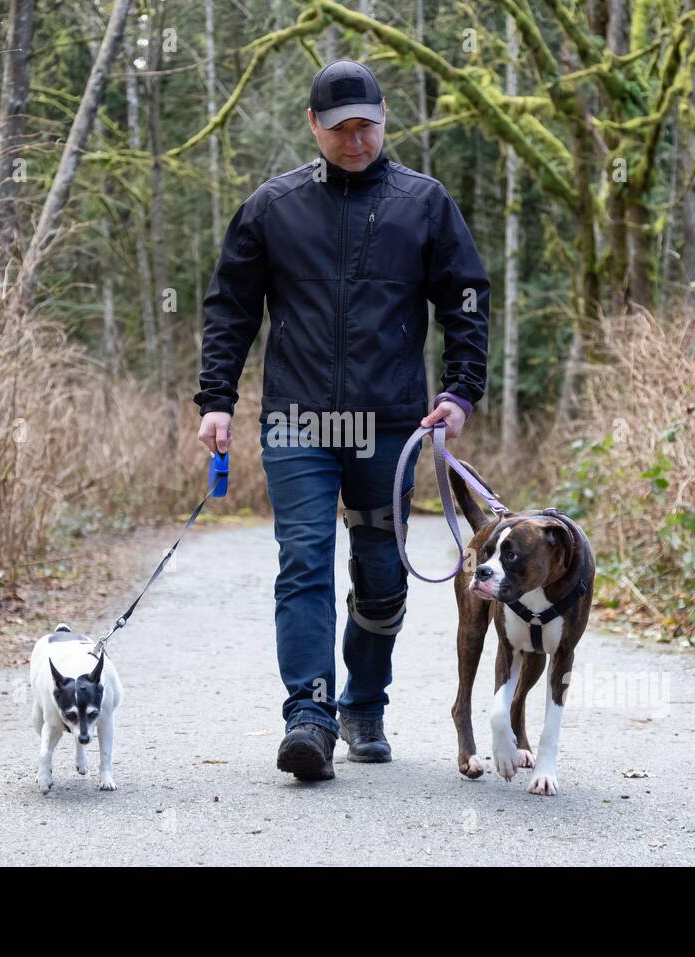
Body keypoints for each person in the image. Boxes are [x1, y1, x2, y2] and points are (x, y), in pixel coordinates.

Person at [193, 59, 490, 781]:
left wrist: (459, 390)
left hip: (388, 423)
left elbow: (468, 299)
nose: (356, 140)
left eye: (368, 126)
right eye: (341, 129)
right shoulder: (273, 206)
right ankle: (310, 714)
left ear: (385, 120)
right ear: (314, 127)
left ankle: (364, 699)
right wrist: (217, 400)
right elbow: (230, 307)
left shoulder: (425, 203)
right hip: (297, 420)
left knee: (383, 576)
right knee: (303, 561)